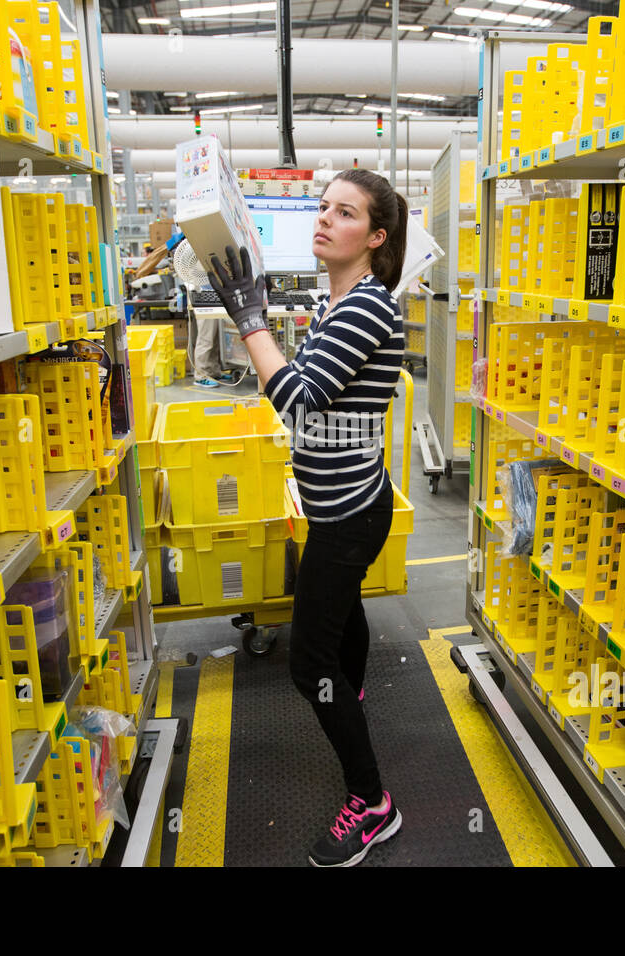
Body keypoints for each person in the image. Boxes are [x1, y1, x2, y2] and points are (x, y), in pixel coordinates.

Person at [206, 169, 406, 867]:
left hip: (349, 512)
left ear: (376, 238)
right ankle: (347, 702)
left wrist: (251, 320)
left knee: (308, 659)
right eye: (322, 208)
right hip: (338, 503)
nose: (324, 219)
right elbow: (302, 395)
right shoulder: (335, 303)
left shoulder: (368, 308)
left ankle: (373, 801)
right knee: (341, 620)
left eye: (343, 213)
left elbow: (296, 398)